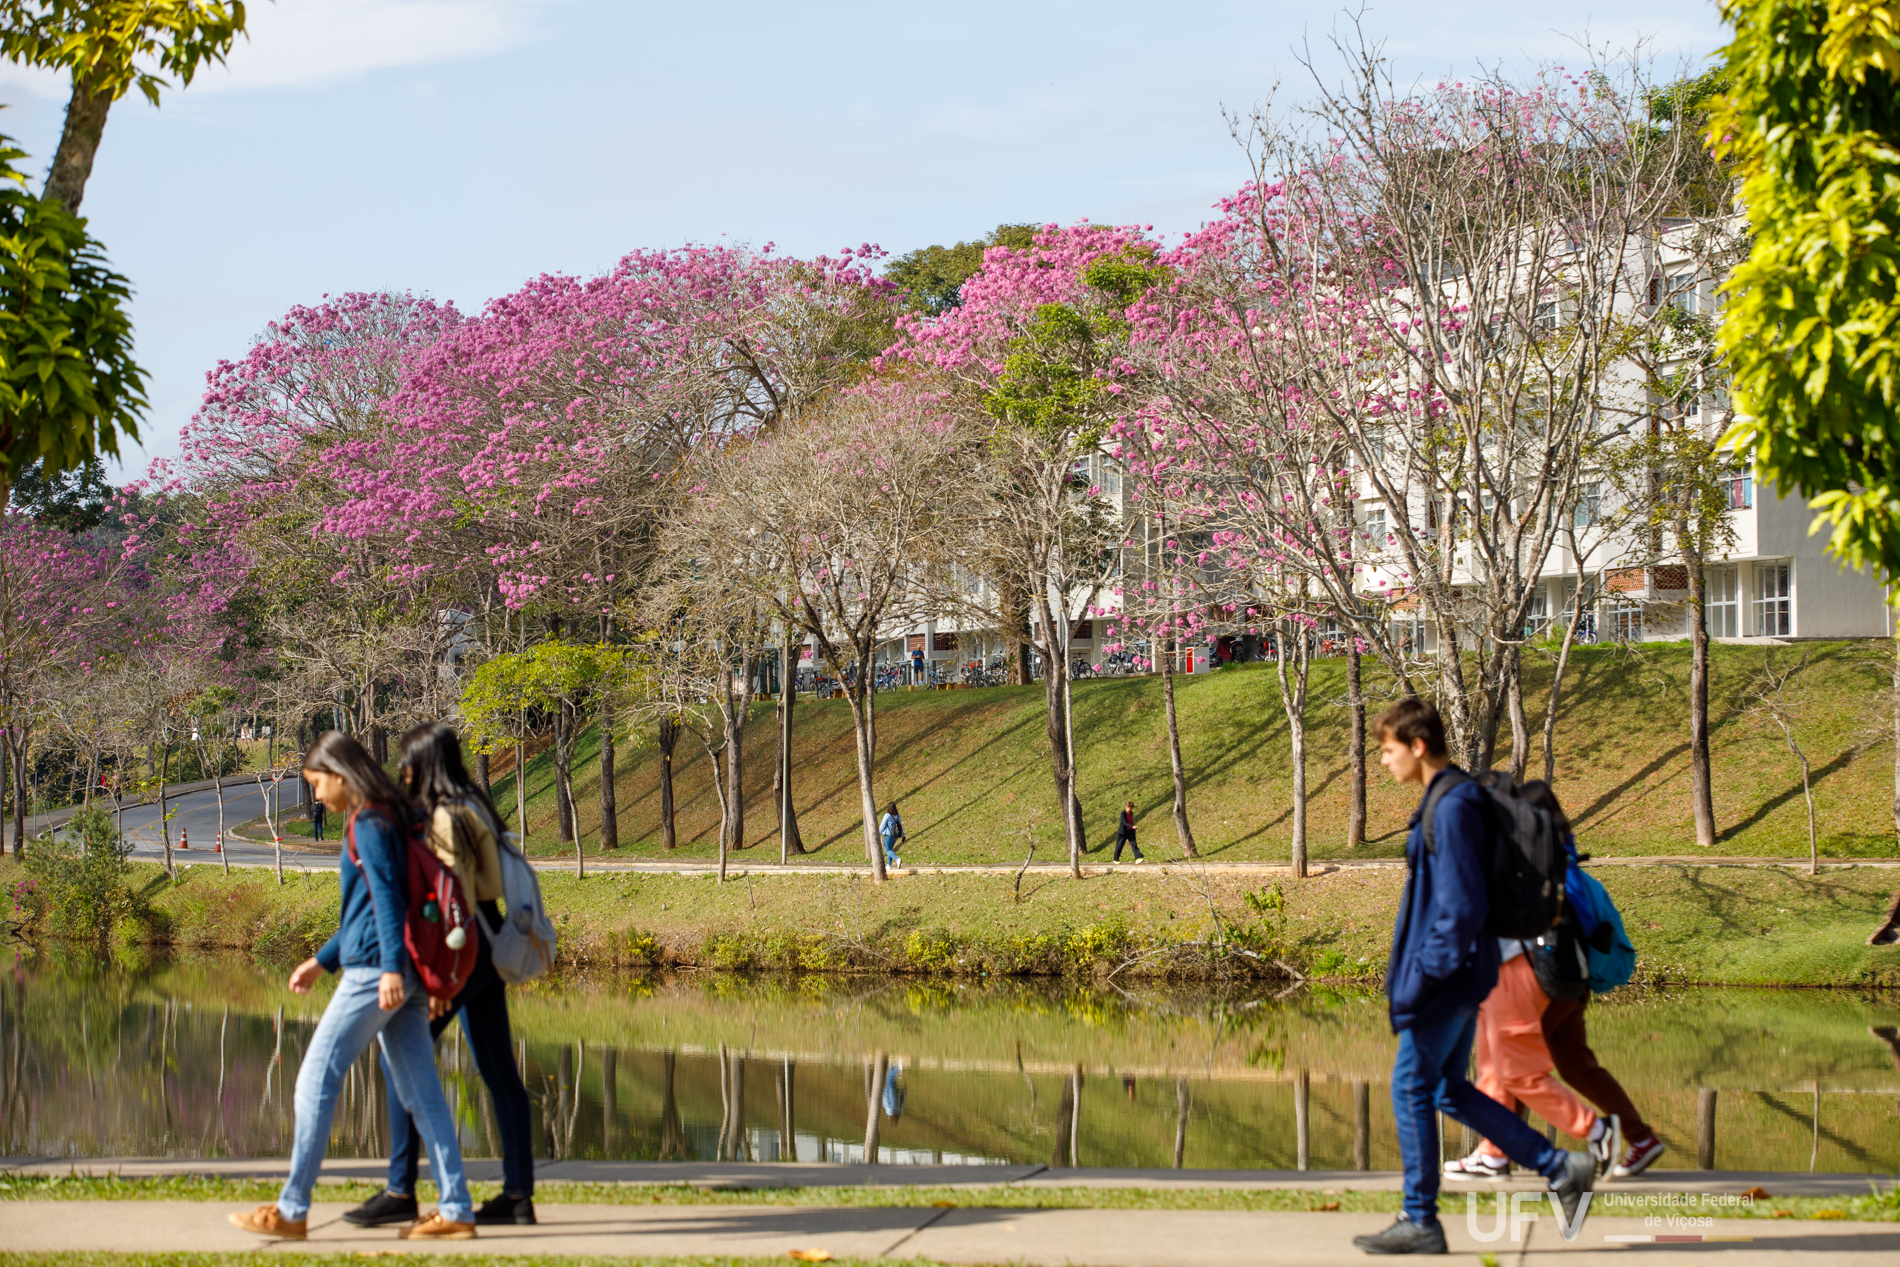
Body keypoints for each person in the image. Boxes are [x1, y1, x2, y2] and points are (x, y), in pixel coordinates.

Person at [1353, 699, 1595, 1256]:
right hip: (1462, 971)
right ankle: (1560, 1167)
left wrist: (1423, 976)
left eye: (1387, 751)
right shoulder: (1450, 799)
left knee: (1410, 1086)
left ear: (1417, 746)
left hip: (1449, 975)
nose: (1384, 762)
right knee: (1446, 1087)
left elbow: (1462, 906)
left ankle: (1420, 1218)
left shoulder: (1454, 806)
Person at [228, 732, 476, 1242]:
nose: (316, 795)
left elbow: (387, 899)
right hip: (395, 970)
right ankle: (456, 1210)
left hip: (376, 973)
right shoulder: (393, 815)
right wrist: (321, 962)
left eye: (317, 784)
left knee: (315, 1079)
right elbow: (367, 909)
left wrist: (386, 968)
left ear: (340, 776)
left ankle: (292, 1210)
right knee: (422, 1090)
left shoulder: (367, 821)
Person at [343, 721, 537, 1230]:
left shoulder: (447, 816)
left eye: (407, 761)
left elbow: (452, 907)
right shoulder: (474, 804)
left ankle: (400, 1189)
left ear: (424, 764)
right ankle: (518, 1195)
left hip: (462, 945)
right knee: (499, 1071)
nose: (401, 771)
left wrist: (438, 981)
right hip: (487, 938)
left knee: (400, 1061)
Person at [1520, 781, 1664, 1178]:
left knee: (1515, 1064)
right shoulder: (1568, 862)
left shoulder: (1544, 867)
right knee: (1577, 1066)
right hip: (1574, 982)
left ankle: (1497, 1151)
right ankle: (1642, 1138)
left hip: (1550, 983)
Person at [878, 801, 905, 868]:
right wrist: (903, 835)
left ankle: (897, 859)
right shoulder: (898, 816)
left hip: (888, 835)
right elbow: (900, 826)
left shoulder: (887, 815)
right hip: (895, 836)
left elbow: (882, 825)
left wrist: (878, 833)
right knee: (890, 849)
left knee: (887, 850)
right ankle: (888, 865)